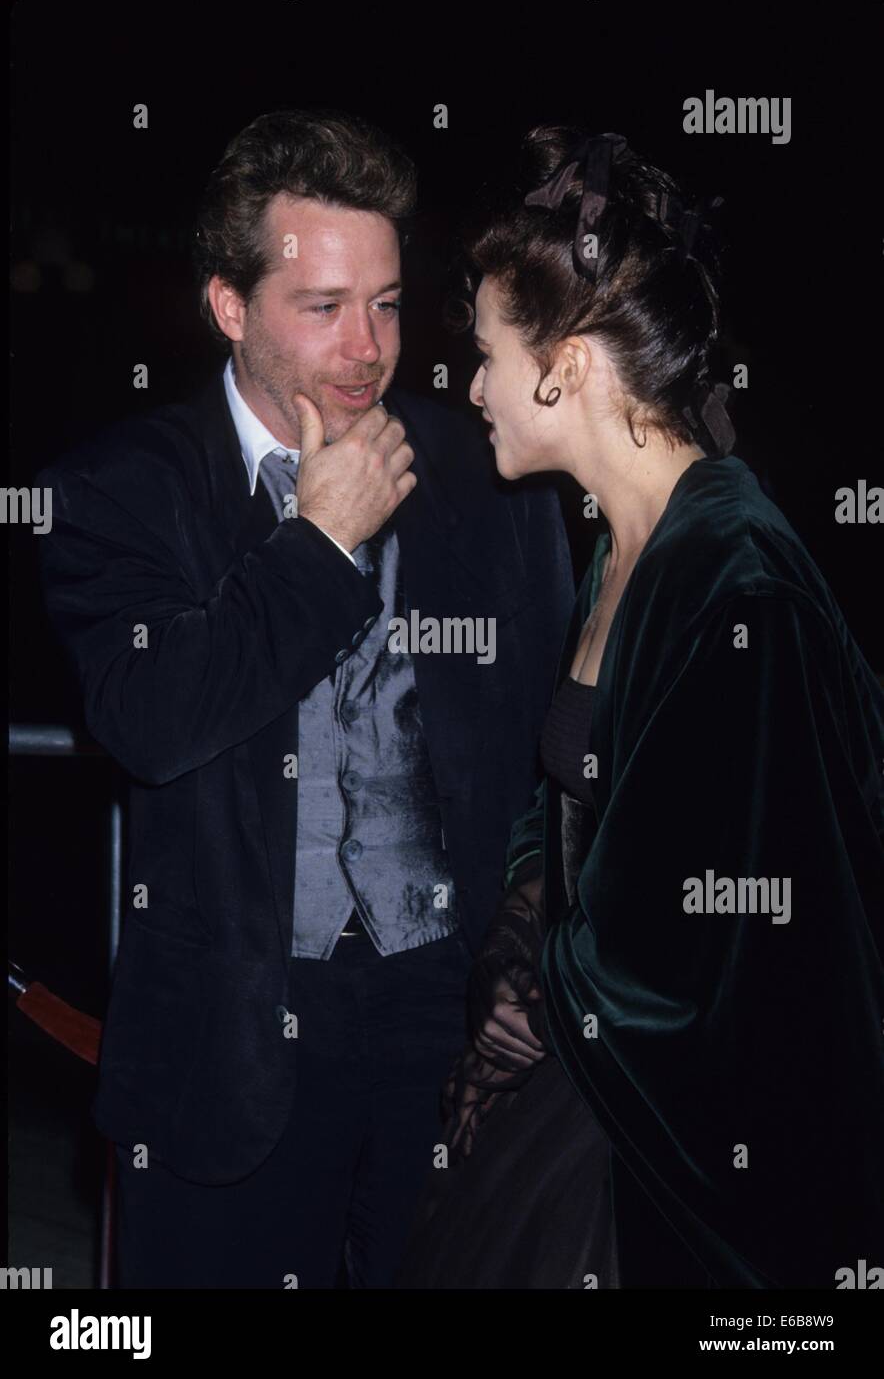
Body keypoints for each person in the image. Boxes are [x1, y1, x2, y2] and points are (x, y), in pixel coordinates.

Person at [34, 109, 573, 1288]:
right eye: (321, 306)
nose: (365, 345)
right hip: (234, 1027)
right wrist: (321, 542)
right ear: (231, 306)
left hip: (445, 1019)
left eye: (383, 301)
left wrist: (536, 961)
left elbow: (556, 756)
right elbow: (151, 717)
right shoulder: (123, 490)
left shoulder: (488, 480)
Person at [396, 128, 884, 1289]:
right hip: (585, 1086)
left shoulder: (735, 576)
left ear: (562, 362)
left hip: (678, 1151)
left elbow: (733, 933)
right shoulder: (621, 546)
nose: (468, 387)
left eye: (483, 353)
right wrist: (519, 945)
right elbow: (568, 805)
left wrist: (542, 998)